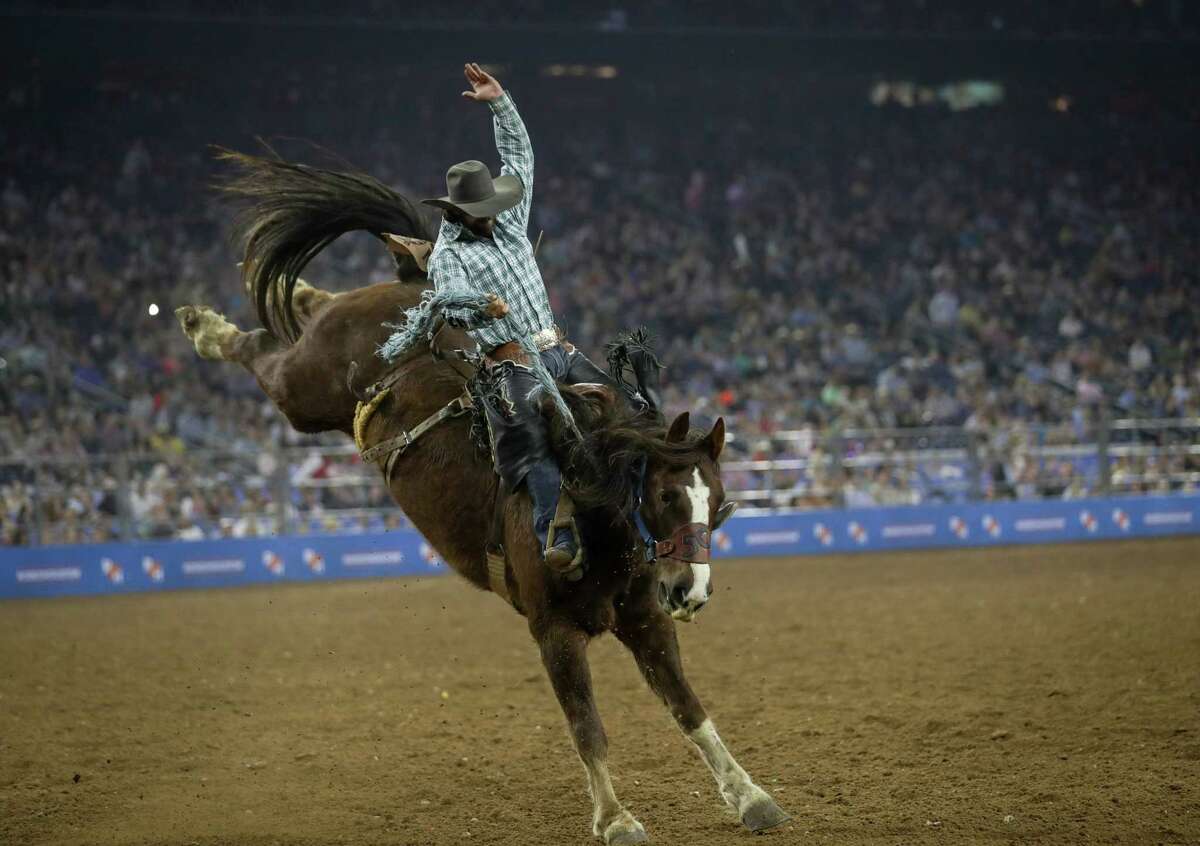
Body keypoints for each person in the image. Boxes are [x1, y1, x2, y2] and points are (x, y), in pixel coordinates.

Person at [422, 63, 616, 578]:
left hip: (558, 349)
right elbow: (448, 302)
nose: (490, 212)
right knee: (529, 437)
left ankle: (659, 512)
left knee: (626, 404)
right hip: (512, 365)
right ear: (458, 211)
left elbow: (520, 159)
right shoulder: (448, 254)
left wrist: (499, 103)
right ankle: (556, 531)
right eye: (480, 207)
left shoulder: (508, 220)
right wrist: (480, 307)